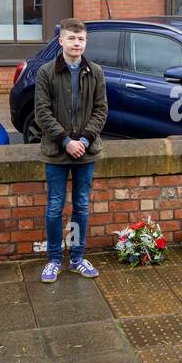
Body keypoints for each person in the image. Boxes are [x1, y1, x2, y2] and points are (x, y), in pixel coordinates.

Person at [34, 18, 108, 283]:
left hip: (86, 153)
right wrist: (66, 141)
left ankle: (77, 258)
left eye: (81, 39)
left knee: (80, 206)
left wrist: (84, 142)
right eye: (72, 39)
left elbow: (101, 110)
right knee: (54, 206)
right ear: (61, 41)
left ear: (85, 42)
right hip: (56, 152)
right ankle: (54, 259)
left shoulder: (96, 72)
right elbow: (42, 113)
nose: (77, 44)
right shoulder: (45, 72)